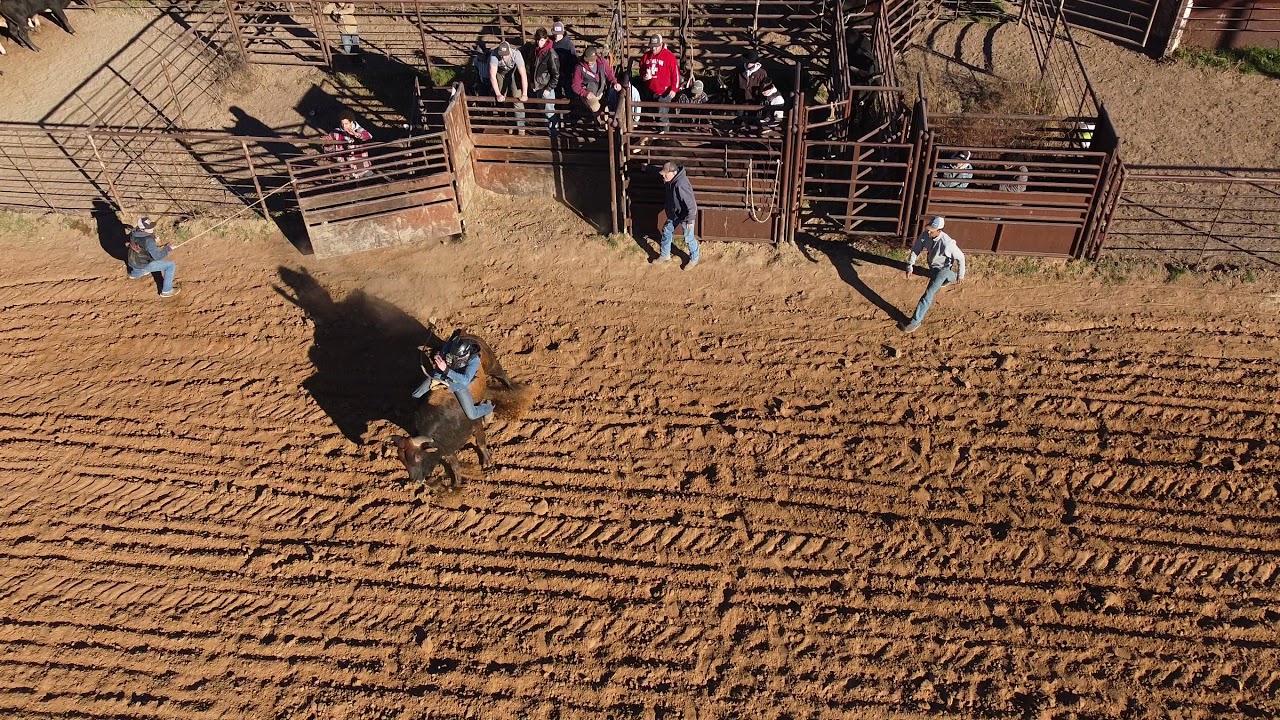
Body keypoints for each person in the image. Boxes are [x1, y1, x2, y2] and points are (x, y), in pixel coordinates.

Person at [900, 216, 966, 333]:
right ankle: (950, 278)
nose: (929, 231)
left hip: (942, 269)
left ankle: (915, 322)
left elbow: (961, 257)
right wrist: (910, 265)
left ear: (939, 230)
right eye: (929, 228)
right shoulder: (926, 235)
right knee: (949, 277)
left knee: (928, 295)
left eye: (932, 230)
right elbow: (916, 249)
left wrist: (961, 275)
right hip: (932, 266)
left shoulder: (948, 243)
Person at [412, 332, 494, 422]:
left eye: (457, 357)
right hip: (441, 375)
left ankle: (488, 408)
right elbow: (440, 363)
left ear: (465, 354)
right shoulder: (449, 346)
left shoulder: (474, 359)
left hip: (458, 383)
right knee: (416, 394)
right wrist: (437, 377)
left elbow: (465, 380)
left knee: (472, 415)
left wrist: (446, 370)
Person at [655, 161, 700, 269]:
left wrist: (690, 220)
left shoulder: (680, 185)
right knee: (667, 231)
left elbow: (691, 204)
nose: (664, 177)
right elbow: (656, 171)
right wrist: (646, 169)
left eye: (666, 174)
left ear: (674, 173)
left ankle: (694, 258)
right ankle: (665, 255)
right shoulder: (671, 180)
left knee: (689, 237)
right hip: (674, 213)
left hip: (685, 216)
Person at [126, 216, 180, 298]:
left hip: (132, 261)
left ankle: (134, 274)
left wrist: (153, 239)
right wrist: (168, 249)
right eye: (149, 228)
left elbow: (141, 242)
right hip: (143, 264)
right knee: (170, 265)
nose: (152, 229)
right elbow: (157, 256)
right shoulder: (149, 241)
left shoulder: (133, 233)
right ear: (142, 229)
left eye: (151, 226)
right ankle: (167, 291)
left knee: (138, 267)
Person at [640, 34, 679, 133]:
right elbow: (642, 69)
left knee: (662, 114)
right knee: (655, 112)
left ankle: (664, 133)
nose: (654, 49)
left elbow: (676, 74)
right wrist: (644, 75)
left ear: (661, 45)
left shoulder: (669, 57)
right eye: (652, 46)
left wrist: (674, 88)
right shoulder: (646, 56)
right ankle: (659, 130)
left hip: (664, 91)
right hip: (651, 89)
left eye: (656, 46)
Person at [489, 40, 529, 131]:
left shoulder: (516, 54)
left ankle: (521, 126)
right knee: (503, 97)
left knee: (517, 97)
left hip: (514, 72)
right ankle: (508, 123)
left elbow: (523, 75)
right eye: (501, 55)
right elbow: (492, 76)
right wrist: (498, 93)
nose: (503, 57)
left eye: (505, 55)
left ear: (509, 52)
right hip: (500, 73)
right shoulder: (494, 55)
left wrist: (525, 93)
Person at [572, 47, 621, 119]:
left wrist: (615, 82)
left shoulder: (602, 62)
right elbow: (575, 85)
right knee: (596, 108)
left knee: (605, 109)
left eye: (591, 60)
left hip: (600, 92)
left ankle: (604, 124)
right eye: (587, 60)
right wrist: (585, 93)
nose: (589, 62)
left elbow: (609, 74)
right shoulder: (579, 68)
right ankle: (603, 124)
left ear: (596, 58)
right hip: (588, 94)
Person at [529, 28, 560, 131]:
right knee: (544, 110)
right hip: (538, 86)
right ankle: (550, 130)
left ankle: (553, 133)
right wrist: (532, 82)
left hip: (546, 87)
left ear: (546, 39)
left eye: (541, 40)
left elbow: (556, 74)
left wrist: (549, 88)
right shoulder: (535, 51)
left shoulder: (551, 53)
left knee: (549, 111)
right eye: (537, 40)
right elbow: (532, 68)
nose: (539, 42)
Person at [328, 112, 373, 179]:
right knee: (351, 184)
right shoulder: (336, 132)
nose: (344, 126)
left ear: (351, 122)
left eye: (346, 123)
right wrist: (327, 143)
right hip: (346, 166)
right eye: (342, 123)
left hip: (361, 163)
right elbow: (328, 149)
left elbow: (369, 136)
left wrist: (357, 135)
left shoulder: (358, 129)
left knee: (370, 179)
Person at [551, 20, 577, 98]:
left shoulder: (569, 45)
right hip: (554, 73)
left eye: (559, 34)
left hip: (566, 73)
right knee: (556, 93)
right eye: (555, 34)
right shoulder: (550, 42)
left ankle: (571, 107)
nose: (557, 36)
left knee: (569, 92)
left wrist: (568, 71)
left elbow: (573, 60)